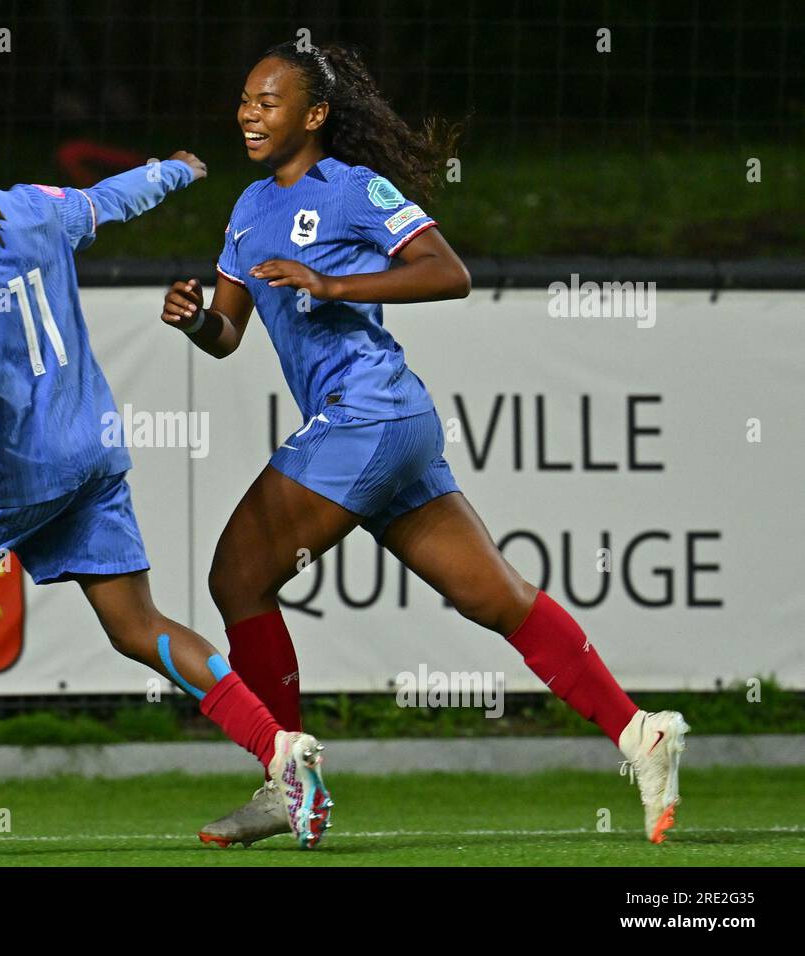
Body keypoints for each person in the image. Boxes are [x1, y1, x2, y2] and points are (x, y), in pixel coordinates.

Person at [159, 42, 688, 848]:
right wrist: (198, 318)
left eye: (268, 102)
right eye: (244, 100)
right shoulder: (247, 208)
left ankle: (287, 784)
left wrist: (335, 285)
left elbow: (448, 272)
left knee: (237, 574)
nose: (248, 114)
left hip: (369, 412)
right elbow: (229, 334)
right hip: (387, 424)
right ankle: (639, 733)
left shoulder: (356, 189)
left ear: (314, 115)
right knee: (495, 597)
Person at [0, 97, 333, 849]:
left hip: (14, 467)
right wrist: (175, 171)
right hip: (92, 450)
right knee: (137, 626)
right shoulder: (34, 209)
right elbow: (110, 199)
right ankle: (279, 751)